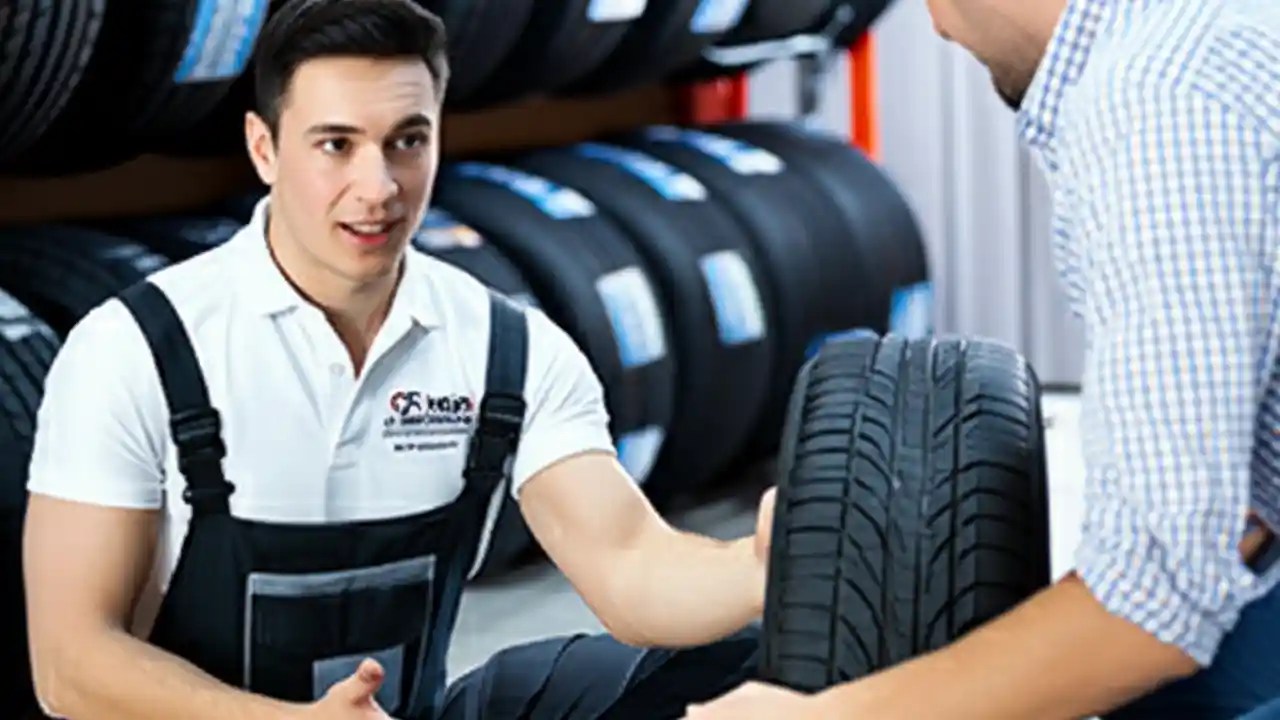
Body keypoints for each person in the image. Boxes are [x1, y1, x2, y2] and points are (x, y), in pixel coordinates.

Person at [19, 1, 773, 718]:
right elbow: (69, 664)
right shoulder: (136, 349)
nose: (377, 188)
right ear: (263, 148)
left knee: (732, 668)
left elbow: (631, 566)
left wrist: (764, 564)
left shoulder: (507, 347)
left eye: (407, 141)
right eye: (336, 145)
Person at [688, 0, 1280, 718]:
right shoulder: (1216, 30)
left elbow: (1157, 594)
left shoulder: (1157, 102)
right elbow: (1226, 519)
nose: (938, 27)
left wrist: (826, 717)